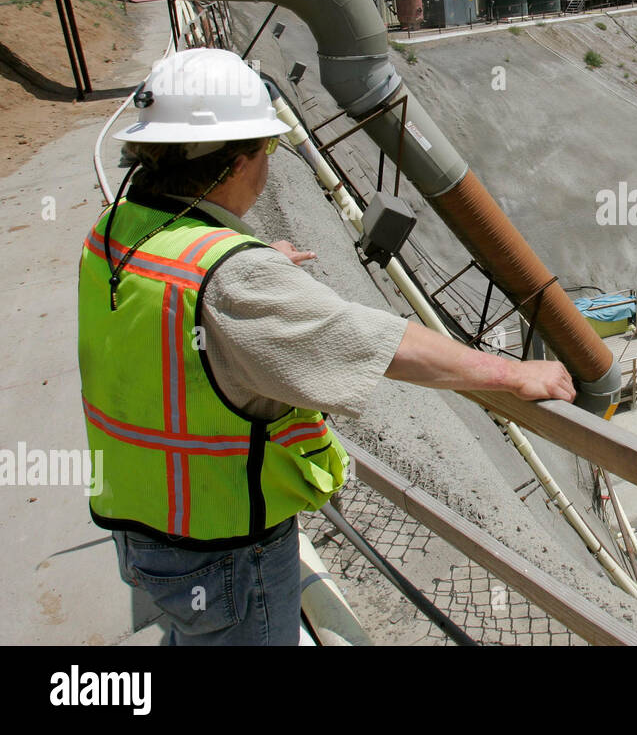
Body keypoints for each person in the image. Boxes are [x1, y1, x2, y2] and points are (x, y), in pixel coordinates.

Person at [78, 48, 574, 646]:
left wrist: (248, 271)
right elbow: (375, 344)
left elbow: (180, 308)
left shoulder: (115, 231)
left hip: (141, 531)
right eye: (268, 149)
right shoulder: (229, 279)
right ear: (236, 163)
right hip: (225, 552)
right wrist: (510, 375)